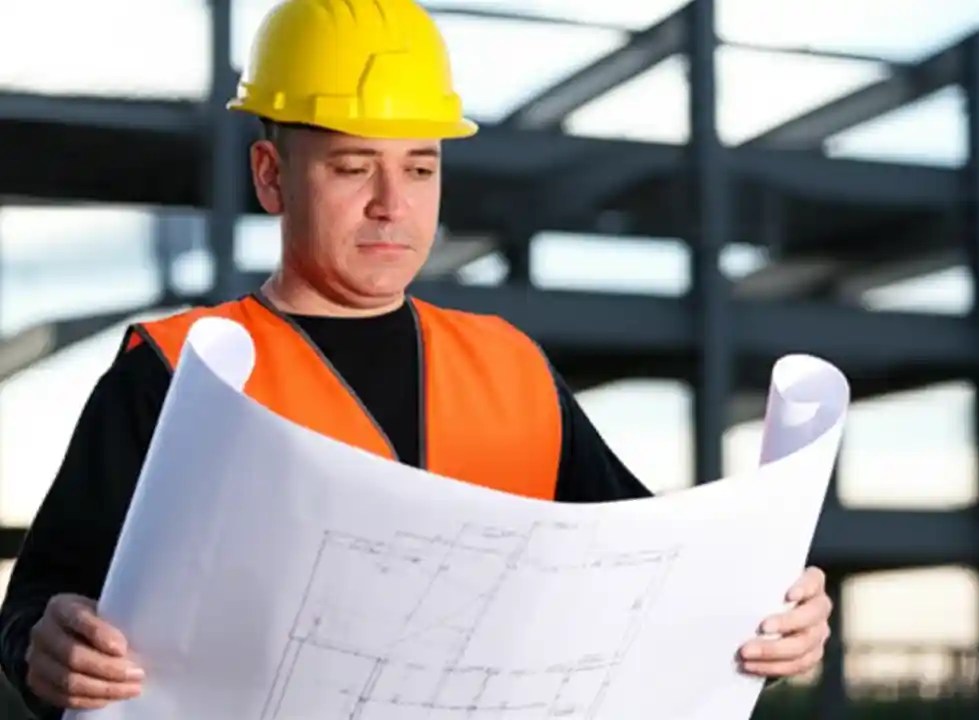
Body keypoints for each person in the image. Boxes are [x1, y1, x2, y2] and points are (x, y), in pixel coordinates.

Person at [0, 0, 833, 715]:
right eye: (353, 165)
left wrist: (775, 613)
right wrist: (48, 649)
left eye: (420, 166)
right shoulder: (178, 370)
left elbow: (654, 576)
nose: (392, 204)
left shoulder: (512, 370)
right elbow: (37, 603)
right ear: (270, 175)